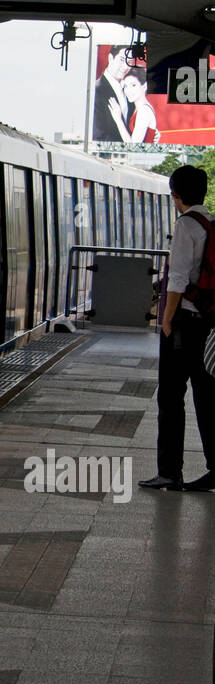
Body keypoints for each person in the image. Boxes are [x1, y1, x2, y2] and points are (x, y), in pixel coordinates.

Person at [139, 164, 215, 493]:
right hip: (208, 322)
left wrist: (166, 319)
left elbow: (178, 278)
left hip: (183, 323)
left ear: (176, 195)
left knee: (171, 398)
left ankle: (170, 471)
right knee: (208, 398)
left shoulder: (186, 225)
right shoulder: (211, 222)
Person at [92, 45, 132, 142]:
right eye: (122, 60)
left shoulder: (128, 89)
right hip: (109, 154)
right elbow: (99, 135)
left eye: (129, 62)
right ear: (111, 58)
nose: (126, 67)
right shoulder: (98, 90)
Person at [108, 67, 158, 144]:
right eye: (126, 86)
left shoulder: (144, 111)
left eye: (133, 85)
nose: (128, 91)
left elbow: (132, 146)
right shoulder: (136, 108)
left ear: (144, 86)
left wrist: (118, 119)